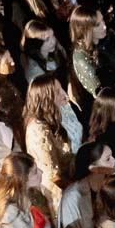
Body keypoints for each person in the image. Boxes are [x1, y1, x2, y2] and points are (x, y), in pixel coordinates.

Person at [24, 77, 82, 209]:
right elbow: (52, 175)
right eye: (57, 92)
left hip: (76, 178)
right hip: (61, 193)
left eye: (61, 88)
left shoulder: (63, 109)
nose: (64, 94)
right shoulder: (37, 130)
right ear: (45, 98)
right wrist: (77, 191)